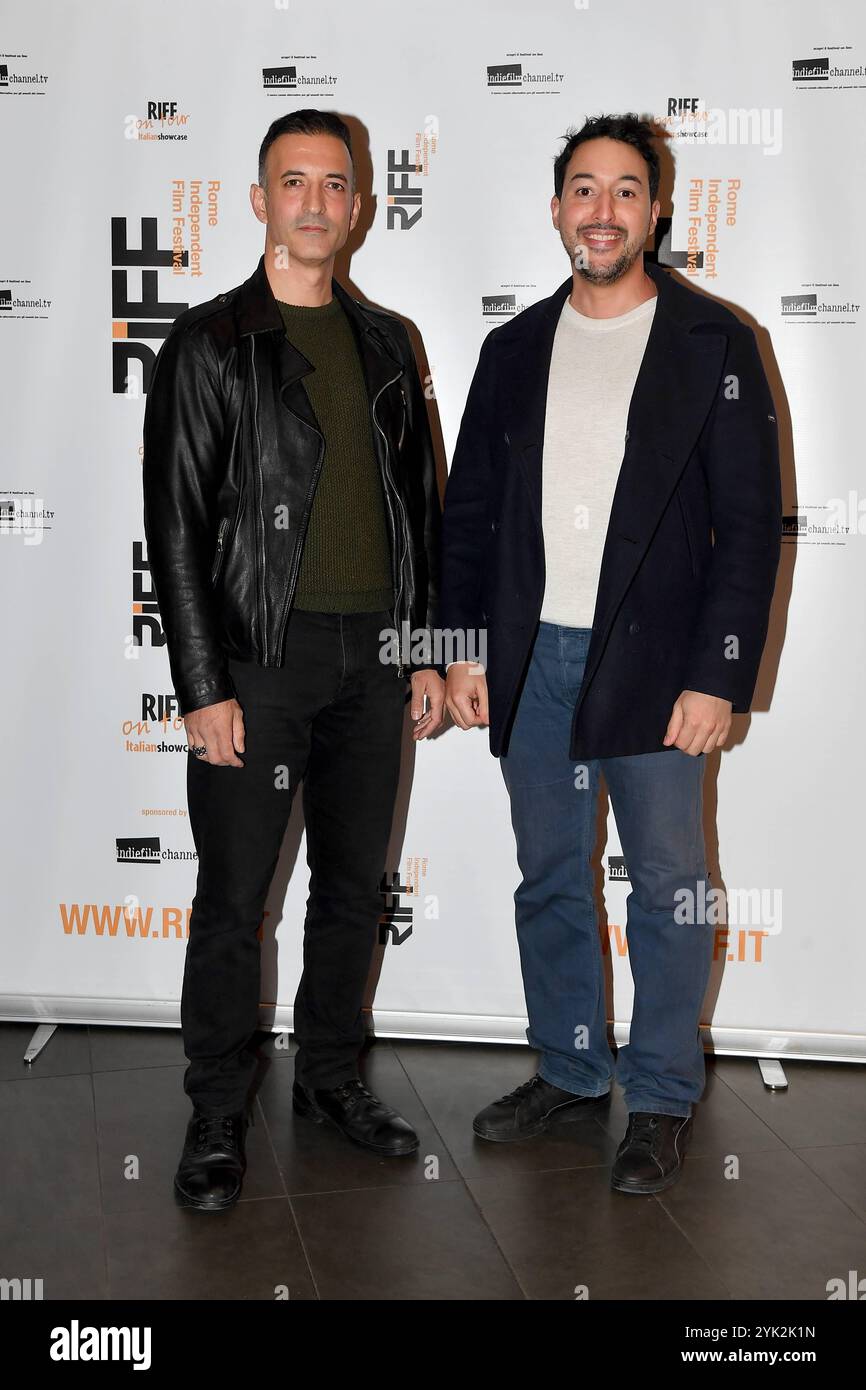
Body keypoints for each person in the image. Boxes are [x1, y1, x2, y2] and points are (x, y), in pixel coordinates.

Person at [440, 113, 781, 1193]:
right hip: (530, 658)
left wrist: (716, 676)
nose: (600, 210)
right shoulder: (510, 349)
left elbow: (748, 522)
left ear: (655, 211)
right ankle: (573, 1069)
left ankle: (664, 1093)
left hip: (659, 664)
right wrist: (456, 650)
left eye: (623, 191)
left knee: (669, 883)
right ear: (554, 210)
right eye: (581, 190)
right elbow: (468, 520)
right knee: (549, 876)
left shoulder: (712, 342)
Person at [142, 109, 445, 1211]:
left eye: (335, 184)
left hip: (374, 658)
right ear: (259, 198)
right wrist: (201, 685)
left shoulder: (390, 340)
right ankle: (217, 1104)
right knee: (234, 897)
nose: (315, 202)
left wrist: (421, 649)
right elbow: (173, 525)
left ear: (360, 205)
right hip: (259, 663)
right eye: (294, 181)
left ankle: (327, 1079)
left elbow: (421, 511)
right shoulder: (210, 342)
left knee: (352, 887)